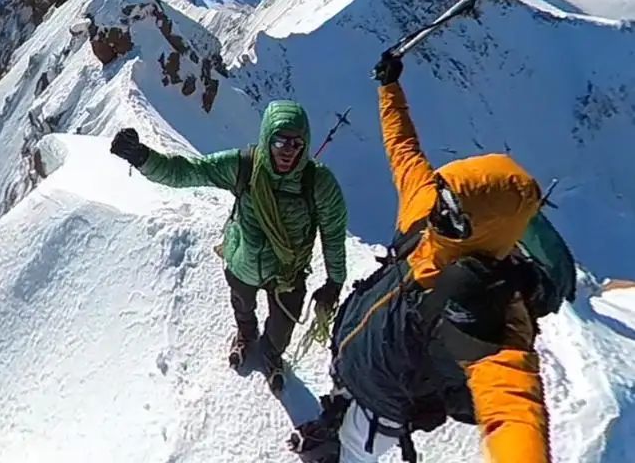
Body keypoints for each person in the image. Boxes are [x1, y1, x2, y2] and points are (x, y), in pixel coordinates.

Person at [290, 53, 549, 463]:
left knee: (356, 455)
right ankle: (335, 414)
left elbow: (514, 412)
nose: (439, 213)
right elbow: (404, 149)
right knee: (342, 393)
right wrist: (389, 89)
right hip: (355, 353)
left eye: (454, 214)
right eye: (445, 196)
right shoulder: (425, 208)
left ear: (487, 229)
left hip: (383, 406)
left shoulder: (485, 310)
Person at [110, 100, 348, 394]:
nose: (288, 151)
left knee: (281, 327)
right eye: (280, 141)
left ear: (306, 143)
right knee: (242, 307)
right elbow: (187, 171)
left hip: (287, 274)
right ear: (267, 138)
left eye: (297, 143)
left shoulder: (319, 184)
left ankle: (270, 354)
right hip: (242, 262)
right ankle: (246, 337)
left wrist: (335, 282)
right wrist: (142, 157)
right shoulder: (244, 166)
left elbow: (333, 234)